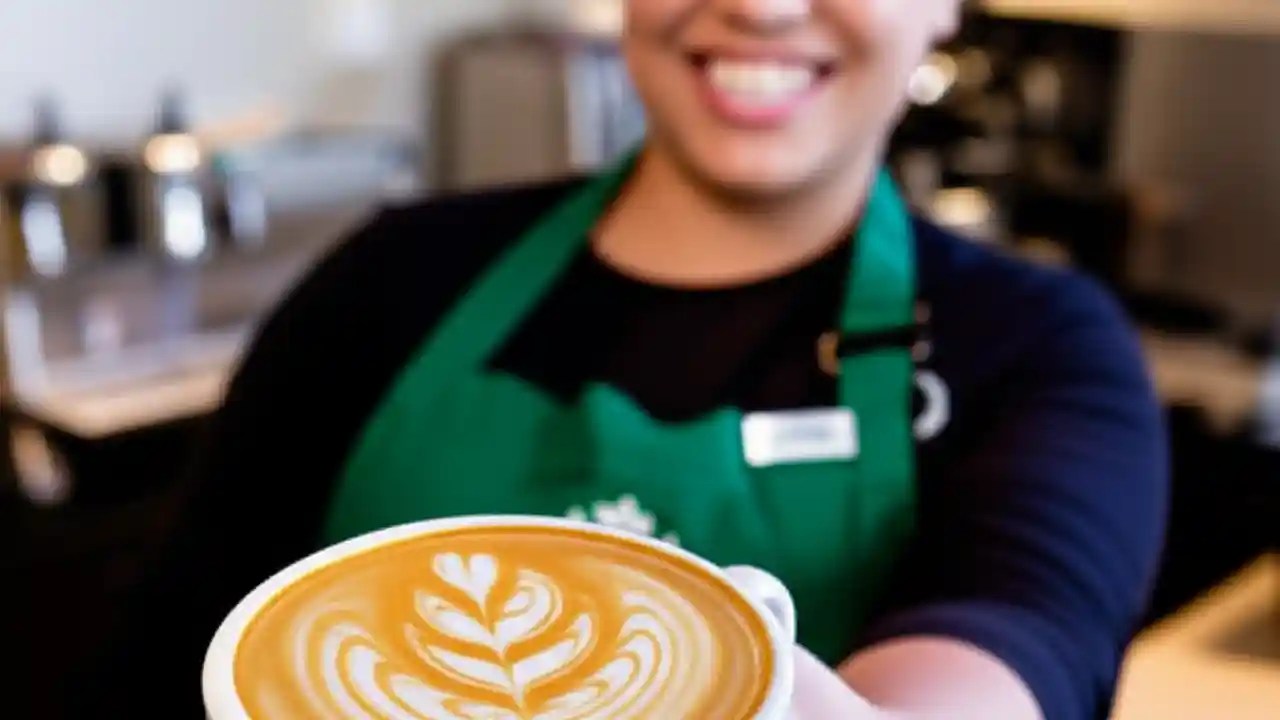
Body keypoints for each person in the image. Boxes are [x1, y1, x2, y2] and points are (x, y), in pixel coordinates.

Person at [91, 0, 1167, 717]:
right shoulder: (391, 279)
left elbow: (1008, 644)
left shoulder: (1036, 348)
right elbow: (169, 651)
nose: (760, 4)